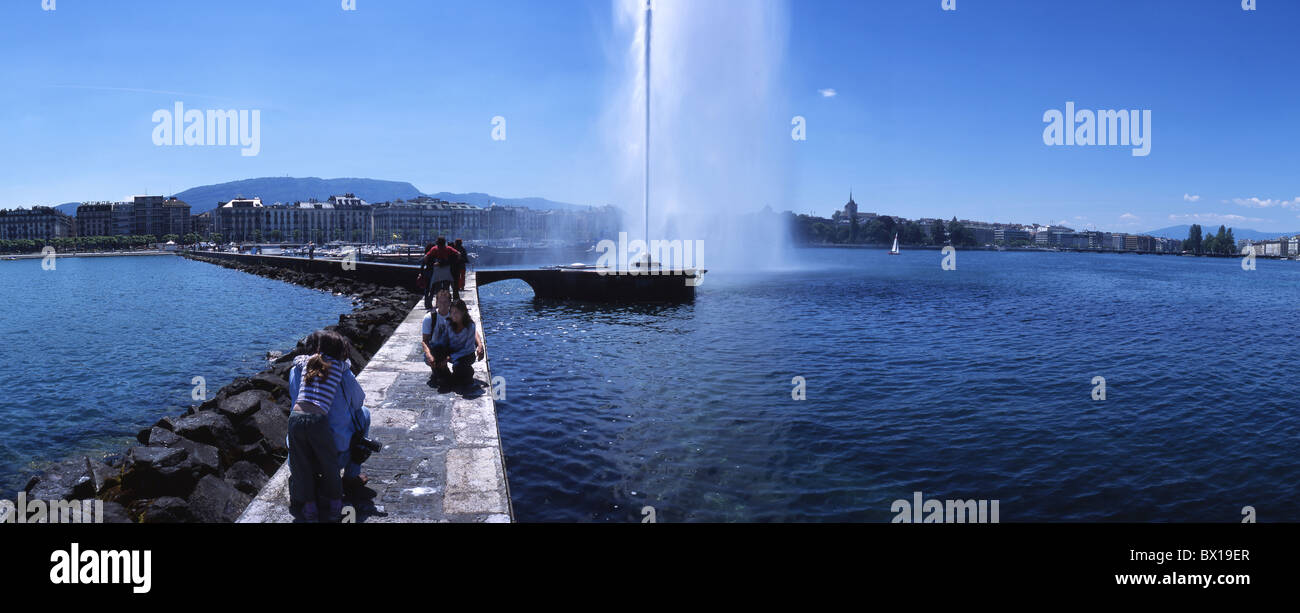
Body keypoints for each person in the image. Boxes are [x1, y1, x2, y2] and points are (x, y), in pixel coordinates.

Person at [286, 330, 349, 522]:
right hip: (318, 420)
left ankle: (309, 507)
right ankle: (335, 504)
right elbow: (348, 363)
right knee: (328, 463)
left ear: (319, 348)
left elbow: (296, 360)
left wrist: (310, 356)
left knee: (301, 465)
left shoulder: (307, 362)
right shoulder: (340, 366)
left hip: (296, 418)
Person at [431, 299, 484, 388]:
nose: (453, 315)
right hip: (452, 350)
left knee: (458, 367)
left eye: (456, 312)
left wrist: (448, 358)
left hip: (466, 354)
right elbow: (444, 340)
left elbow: (468, 349)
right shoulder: (448, 322)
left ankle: (468, 373)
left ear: (463, 313)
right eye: (451, 312)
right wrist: (439, 354)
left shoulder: (470, 326)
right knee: (436, 348)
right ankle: (443, 374)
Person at [421, 288, 452, 385]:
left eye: (445, 302)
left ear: (449, 303)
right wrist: (429, 355)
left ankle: (446, 367)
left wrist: (447, 358)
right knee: (432, 360)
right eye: (440, 302)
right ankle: (436, 369)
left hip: (450, 348)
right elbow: (425, 340)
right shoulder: (429, 317)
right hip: (435, 348)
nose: (443, 305)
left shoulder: (454, 316)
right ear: (436, 302)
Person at [425, 237, 460, 301]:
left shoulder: (434, 249)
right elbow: (458, 254)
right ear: (444, 242)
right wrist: (454, 262)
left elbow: (426, 257)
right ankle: (447, 301)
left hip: (437, 272)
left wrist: (430, 264)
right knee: (446, 288)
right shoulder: (448, 248)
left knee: (438, 288)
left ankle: (439, 302)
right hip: (447, 271)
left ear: (437, 243)